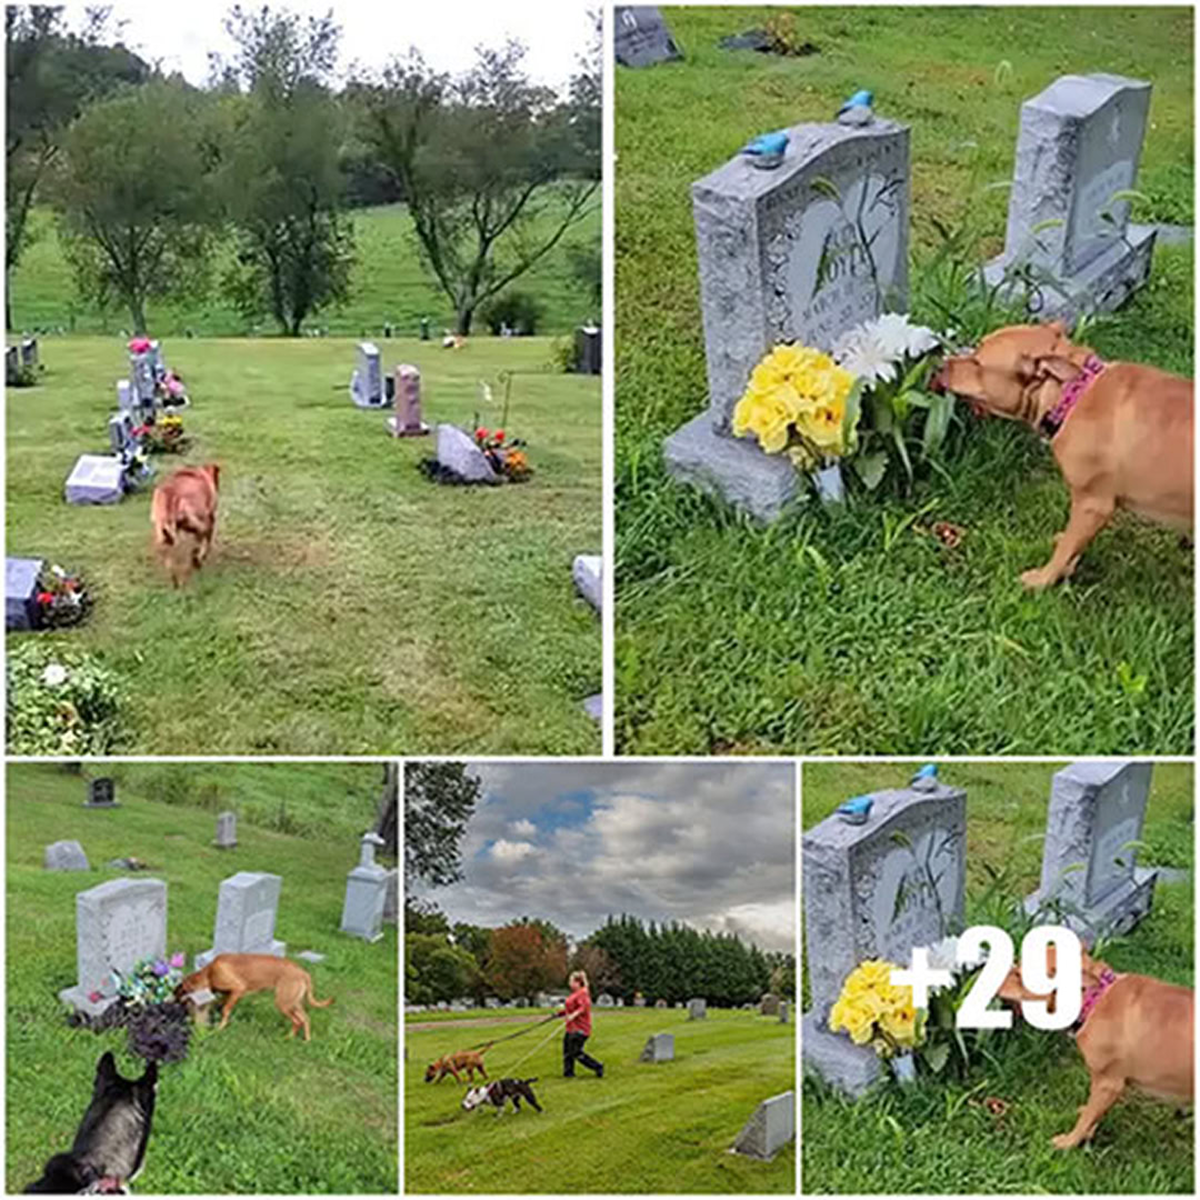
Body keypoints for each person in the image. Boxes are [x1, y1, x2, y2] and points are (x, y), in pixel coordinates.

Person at [556, 970, 604, 1079]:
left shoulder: (583, 993)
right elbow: (570, 1008)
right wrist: (560, 1014)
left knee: (575, 1052)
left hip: (581, 1029)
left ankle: (597, 1066)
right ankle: (568, 1073)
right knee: (567, 1051)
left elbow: (584, 1007)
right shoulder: (574, 994)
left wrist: (574, 1015)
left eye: (571, 981)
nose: (569, 983)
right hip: (571, 1028)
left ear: (578, 982)